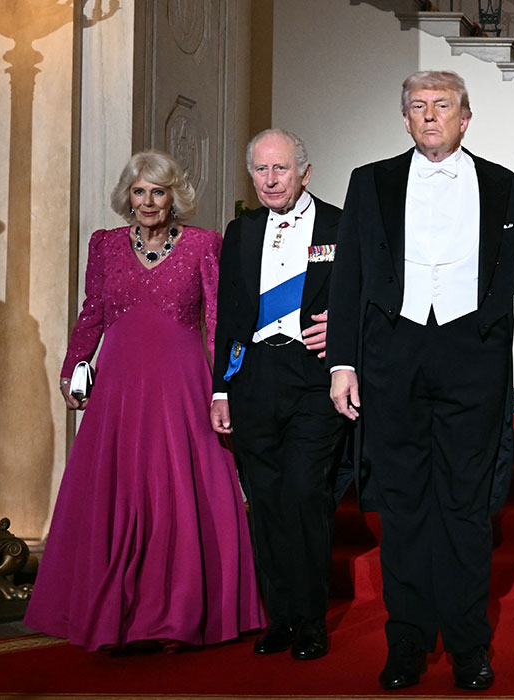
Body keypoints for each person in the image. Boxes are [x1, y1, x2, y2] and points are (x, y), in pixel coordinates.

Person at [327, 70, 514, 691]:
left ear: (465, 118)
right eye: (418, 106)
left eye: (442, 105)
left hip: (472, 357)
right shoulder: (368, 182)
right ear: (404, 118)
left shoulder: (506, 186)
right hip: (391, 357)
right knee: (402, 507)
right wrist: (342, 362)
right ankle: (406, 643)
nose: (430, 115)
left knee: (466, 507)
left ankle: (468, 645)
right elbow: (347, 277)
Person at [24, 151, 263, 651]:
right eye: (139, 191)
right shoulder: (105, 245)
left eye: (158, 191)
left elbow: (217, 322)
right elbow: (92, 311)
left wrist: (226, 386)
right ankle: (116, 614)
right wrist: (73, 367)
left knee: (177, 492)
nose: (148, 202)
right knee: (119, 490)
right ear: (127, 196)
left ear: (174, 197)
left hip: (181, 386)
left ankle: (177, 614)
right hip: (118, 386)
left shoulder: (203, 244)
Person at [209, 129, 350, 660]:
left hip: (314, 376)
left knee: (304, 492)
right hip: (255, 377)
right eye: (261, 170)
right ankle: (282, 617)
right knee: (265, 499)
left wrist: (343, 332)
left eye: (281, 169)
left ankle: (312, 620)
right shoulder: (240, 230)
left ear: (305, 173)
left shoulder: (340, 225)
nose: (270, 180)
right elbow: (228, 316)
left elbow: (368, 299)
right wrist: (221, 388)